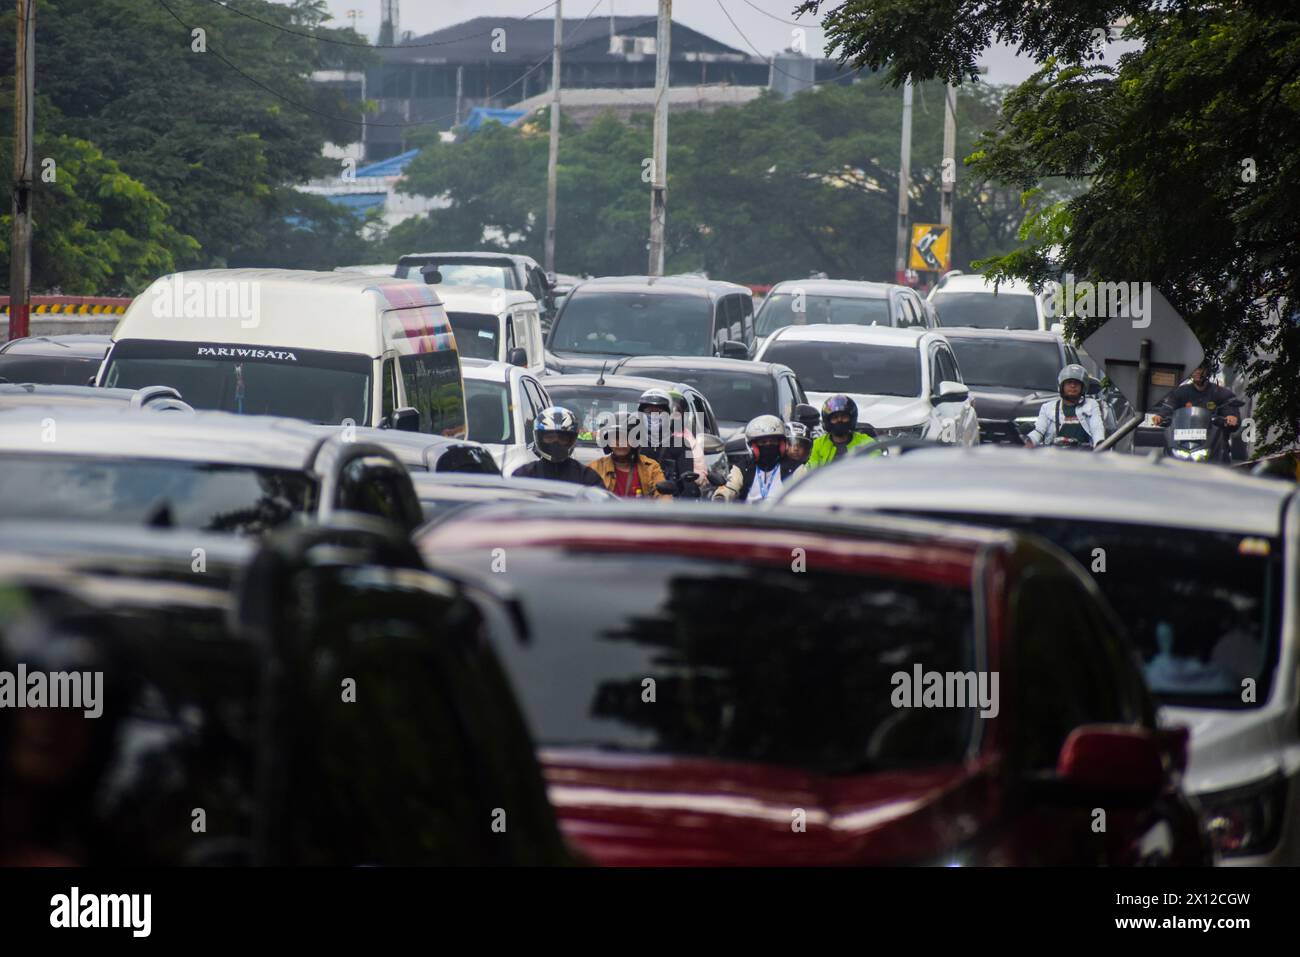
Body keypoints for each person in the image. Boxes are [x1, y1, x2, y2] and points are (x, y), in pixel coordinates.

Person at [714, 415, 802, 503]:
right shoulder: (743, 468)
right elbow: (730, 487)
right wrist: (720, 497)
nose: (768, 445)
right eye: (763, 442)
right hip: (749, 511)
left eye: (773, 441)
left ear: (781, 444)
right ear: (753, 446)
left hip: (783, 511)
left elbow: (805, 494)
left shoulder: (795, 469)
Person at [511, 406, 604, 486]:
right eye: (550, 437)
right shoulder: (524, 475)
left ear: (572, 440)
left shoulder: (587, 477)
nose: (556, 442)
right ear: (539, 438)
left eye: (562, 438)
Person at [1025, 364, 1107, 448]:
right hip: (1053, 454)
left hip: (1084, 454)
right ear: (1062, 386)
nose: (1073, 385)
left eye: (1076, 383)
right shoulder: (1047, 407)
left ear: (1083, 387)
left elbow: (1097, 428)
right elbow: (1038, 430)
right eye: (1069, 382)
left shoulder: (1091, 404)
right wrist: (1030, 441)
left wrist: (1099, 443)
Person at [590, 410, 666, 498]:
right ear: (608, 441)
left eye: (626, 437)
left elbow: (664, 497)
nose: (620, 443)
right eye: (615, 438)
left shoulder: (651, 467)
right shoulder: (595, 468)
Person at [636, 388, 696, 496]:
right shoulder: (632, 442)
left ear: (669, 414)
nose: (654, 416)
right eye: (649, 412)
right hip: (632, 500)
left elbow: (688, 482)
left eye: (659, 412)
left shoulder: (682, 445)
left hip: (669, 502)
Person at [1151, 363, 1243, 428]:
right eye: (1194, 368)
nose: (1197, 372)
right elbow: (1169, 406)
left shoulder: (1221, 393)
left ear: (1208, 371)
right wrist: (1160, 416)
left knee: (1222, 447)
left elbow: (1230, 410)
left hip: (1213, 441)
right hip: (1183, 439)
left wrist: (1231, 417)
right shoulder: (1180, 392)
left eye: (1200, 368)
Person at [804, 395, 877, 469]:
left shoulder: (866, 442)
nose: (839, 420)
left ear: (851, 419)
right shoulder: (818, 444)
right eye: (835, 417)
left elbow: (877, 466)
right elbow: (811, 469)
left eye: (844, 417)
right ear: (827, 421)